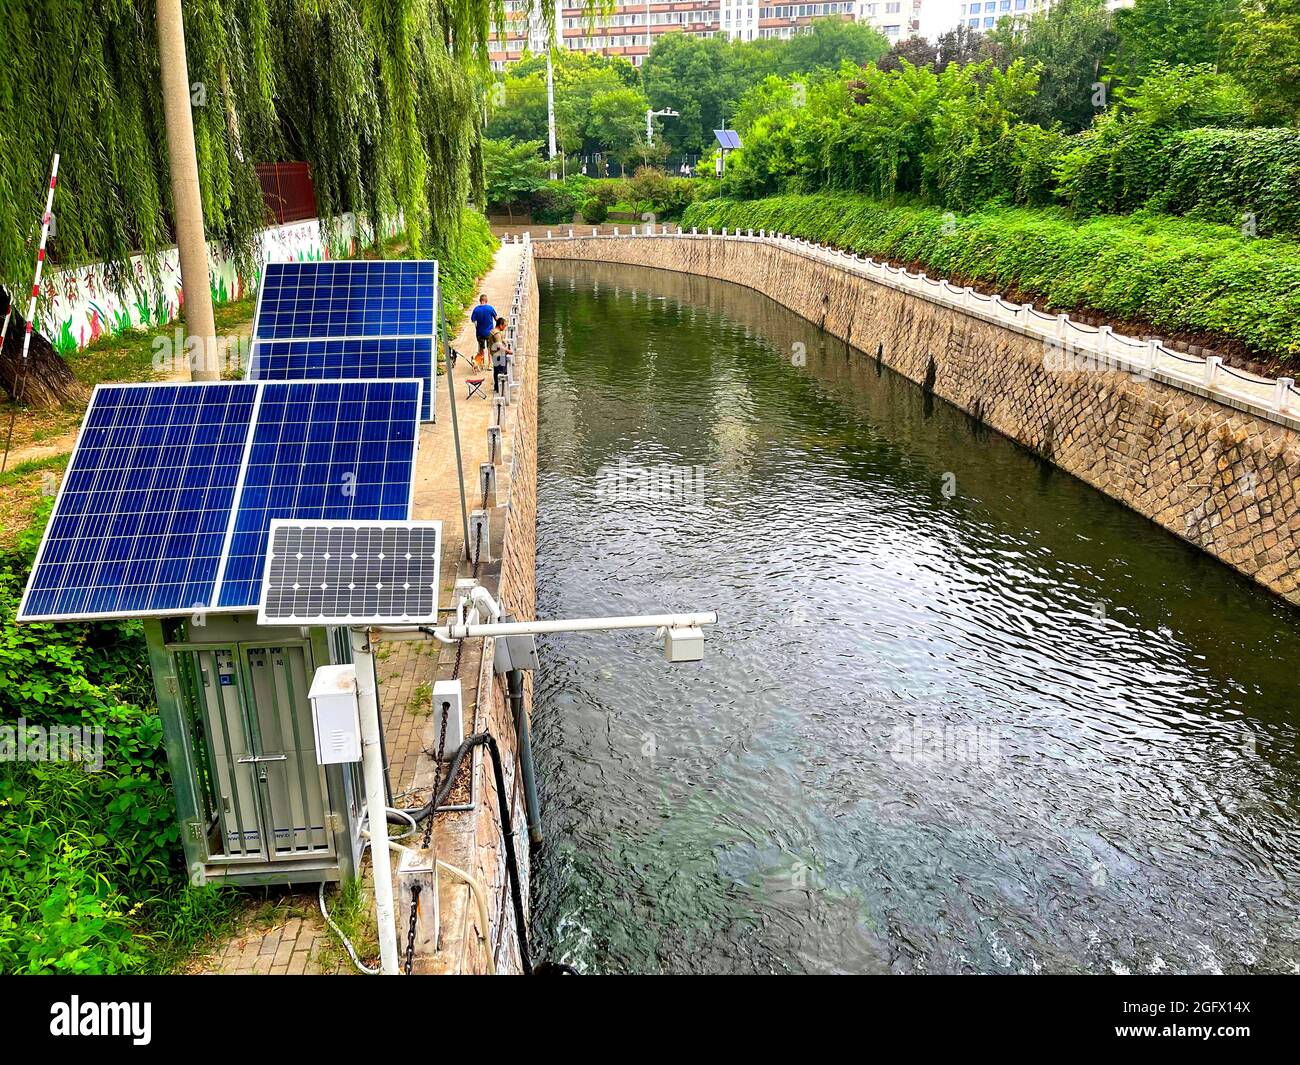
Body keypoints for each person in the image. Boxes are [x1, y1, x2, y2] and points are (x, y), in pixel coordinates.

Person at [470, 293, 497, 368]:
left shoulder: (476, 309)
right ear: (486, 300)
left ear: (480, 300)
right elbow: (496, 318)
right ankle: (490, 364)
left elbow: (473, 320)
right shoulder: (490, 308)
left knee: (481, 348)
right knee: (489, 348)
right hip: (489, 333)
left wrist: (477, 325)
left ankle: (482, 363)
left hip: (480, 333)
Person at [489, 316, 512, 396]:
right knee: (501, 373)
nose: (505, 328)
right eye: (504, 326)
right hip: (499, 356)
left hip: (495, 355)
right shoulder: (497, 334)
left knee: (496, 372)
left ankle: (497, 387)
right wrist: (508, 351)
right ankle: (501, 390)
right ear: (500, 325)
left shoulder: (492, 331)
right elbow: (499, 346)